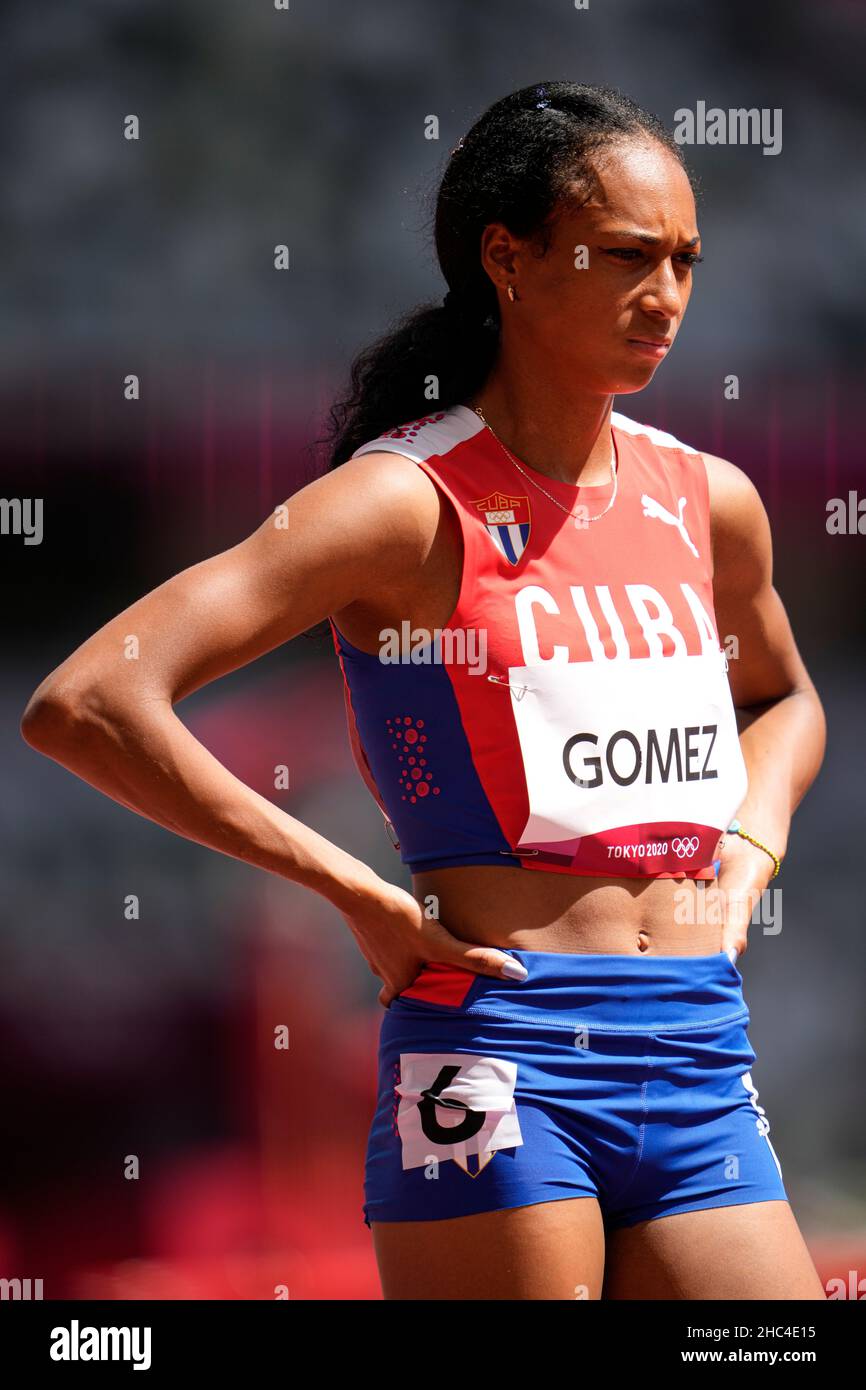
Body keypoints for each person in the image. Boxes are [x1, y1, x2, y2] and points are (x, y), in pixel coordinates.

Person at [21, 81, 827, 1300]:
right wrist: (354, 895)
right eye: (621, 256)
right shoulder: (405, 502)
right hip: (498, 1048)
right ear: (504, 257)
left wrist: (745, 856)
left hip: (696, 1042)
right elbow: (87, 700)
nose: (663, 295)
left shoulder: (706, 499)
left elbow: (784, 699)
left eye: (683, 260)